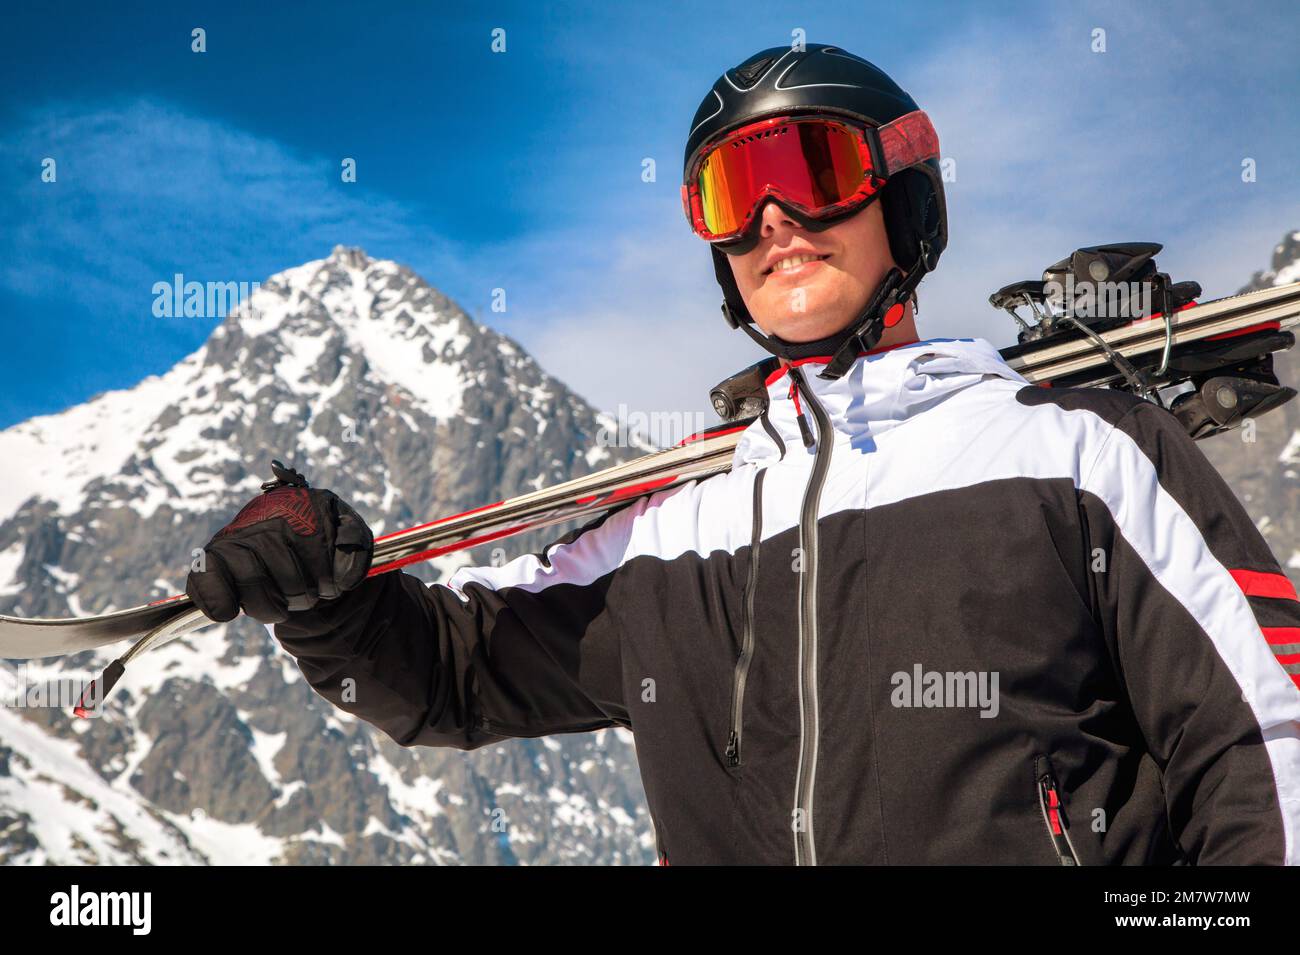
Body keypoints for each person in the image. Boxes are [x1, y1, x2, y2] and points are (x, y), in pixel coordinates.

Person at [187, 43, 1300, 865]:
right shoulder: (674, 528)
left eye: (808, 168)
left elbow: (1262, 743)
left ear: (902, 202)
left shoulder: (1078, 456)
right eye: (731, 191)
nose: (772, 218)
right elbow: (447, 675)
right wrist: (325, 606)